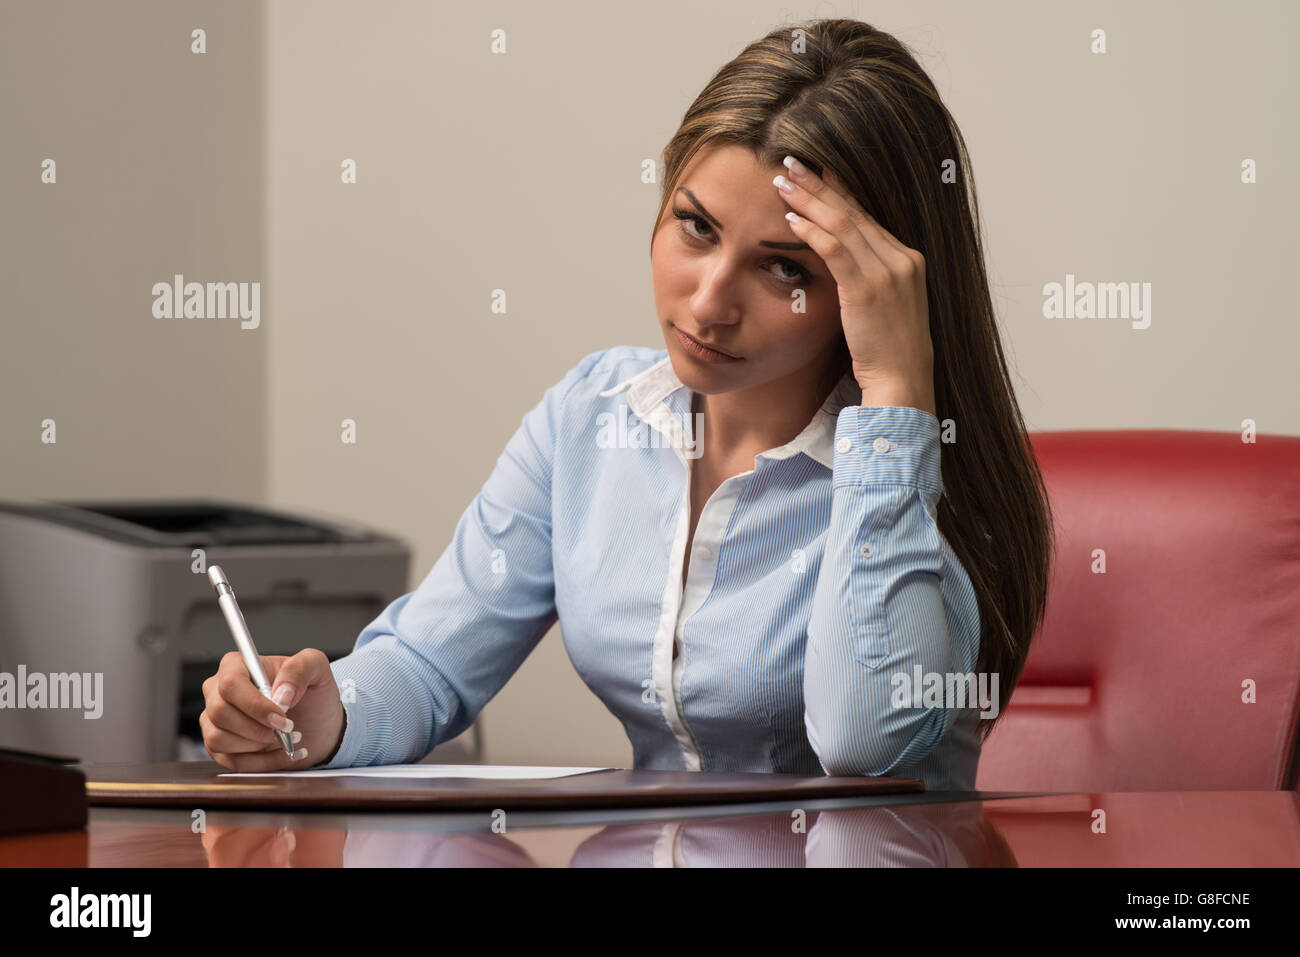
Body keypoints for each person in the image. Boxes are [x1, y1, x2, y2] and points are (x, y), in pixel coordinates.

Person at [200, 17, 1054, 790]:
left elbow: (863, 743)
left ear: (872, 285)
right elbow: (429, 659)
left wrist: (899, 389)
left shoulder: (908, 471)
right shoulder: (591, 417)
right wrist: (324, 717)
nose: (709, 300)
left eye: (784, 267)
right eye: (696, 227)